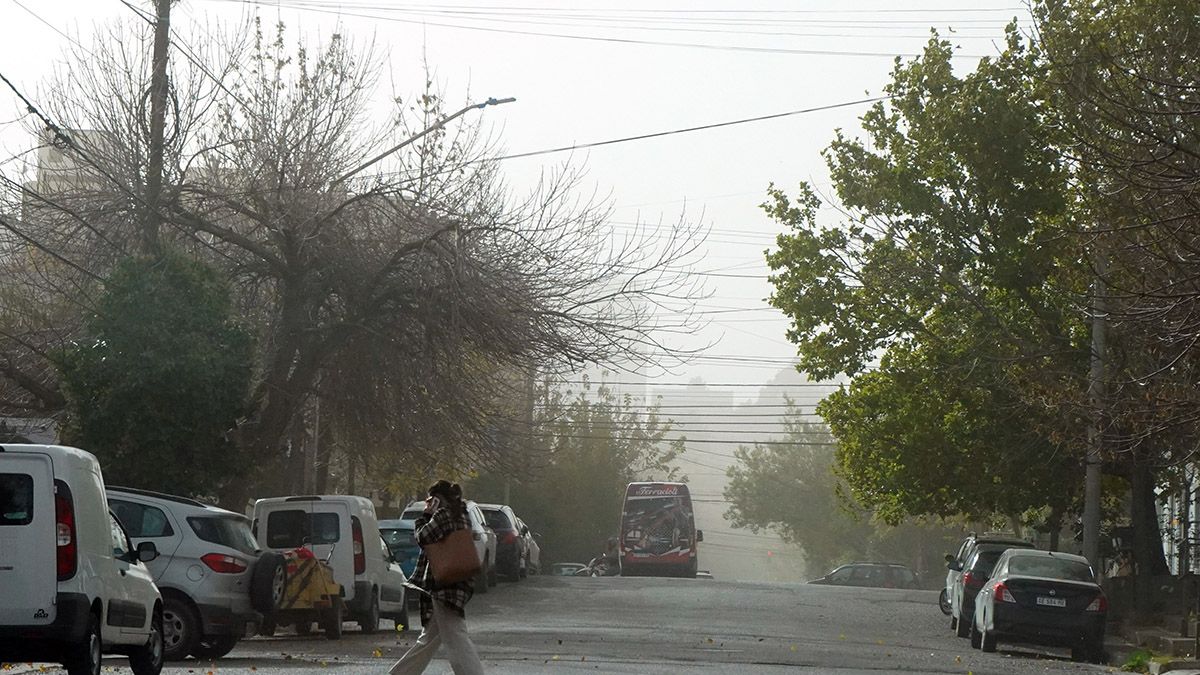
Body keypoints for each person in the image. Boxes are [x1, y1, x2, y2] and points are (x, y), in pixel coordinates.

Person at [389, 480, 485, 675]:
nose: (427, 503)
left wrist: (425, 516)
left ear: (436, 500)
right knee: (429, 638)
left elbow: (423, 537)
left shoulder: (442, 514)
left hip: (444, 585)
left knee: (456, 637)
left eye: (429, 500)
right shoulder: (462, 514)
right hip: (459, 581)